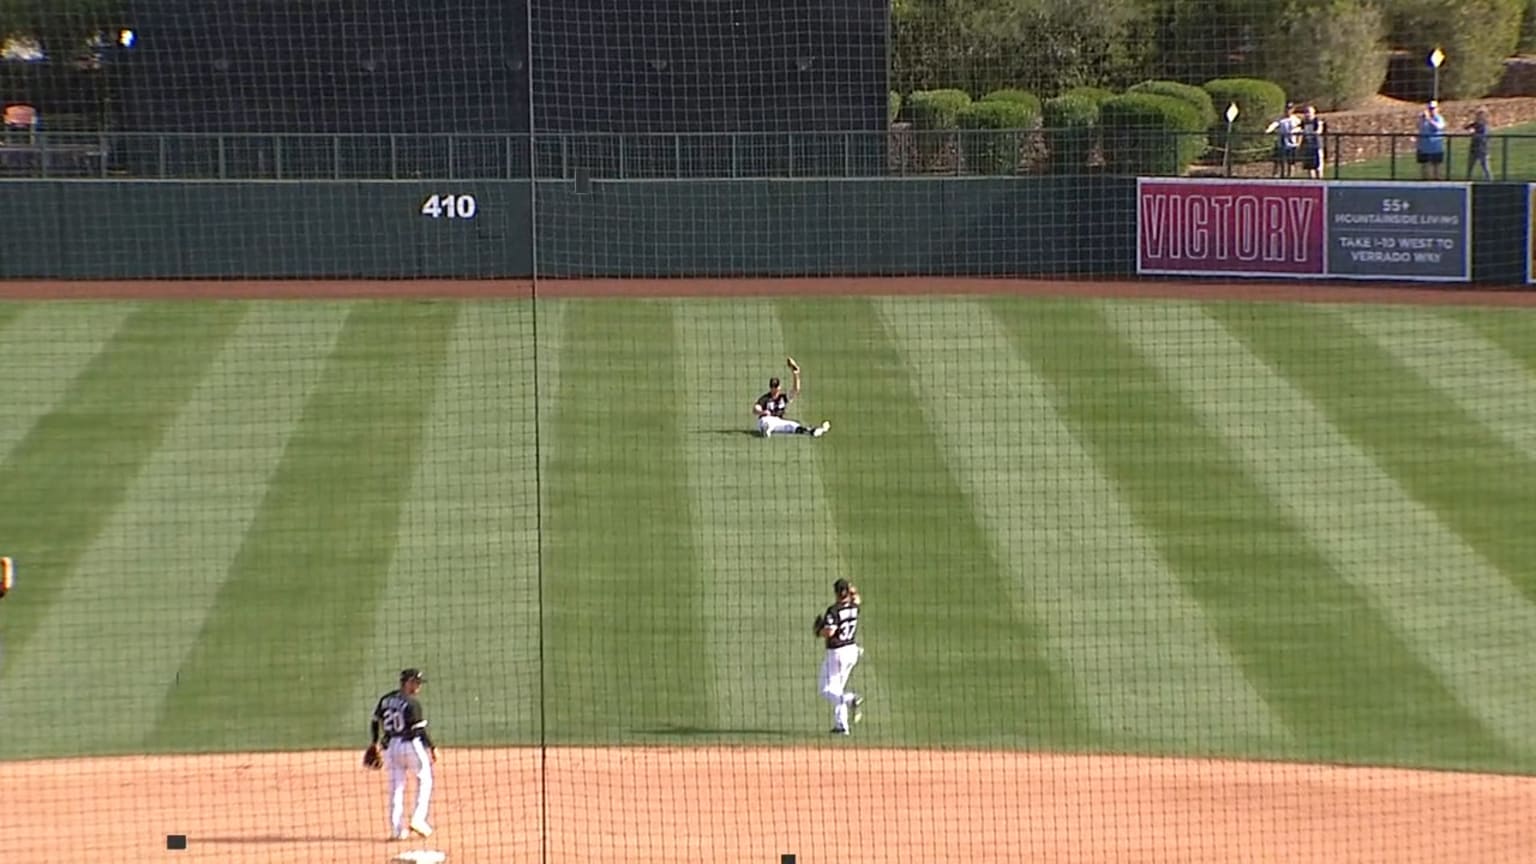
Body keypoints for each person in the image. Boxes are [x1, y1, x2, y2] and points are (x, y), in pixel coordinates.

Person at [369, 669, 437, 841]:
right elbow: (419, 730)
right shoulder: (412, 704)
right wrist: (432, 747)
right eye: (416, 682)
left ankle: (397, 830)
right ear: (407, 682)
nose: (418, 686)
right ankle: (418, 819)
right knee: (425, 779)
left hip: (390, 748)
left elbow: (375, 721)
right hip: (410, 745)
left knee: (396, 788)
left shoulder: (386, 699)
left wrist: (374, 742)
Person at [815, 578, 864, 735]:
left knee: (825, 689)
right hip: (852, 651)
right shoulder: (854, 607)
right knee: (837, 689)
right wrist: (852, 589)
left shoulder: (834, 610)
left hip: (837, 654)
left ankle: (851, 699)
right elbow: (857, 598)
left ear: (836, 592)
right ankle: (842, 725)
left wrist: (818, 631)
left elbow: (830, 631)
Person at [753, 356, 830, 438]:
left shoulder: (783, 398)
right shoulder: (765, 398)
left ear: (779, 387)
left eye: (776, 386)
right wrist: (762, 412)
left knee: (793, 425)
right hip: (766, 419)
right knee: (766, 422)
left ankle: (811, 431)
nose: (774, 389)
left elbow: (796, 390)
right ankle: (765, 430)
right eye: (772, 387)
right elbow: (755, 408)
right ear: (770, 387)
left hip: (778, 421)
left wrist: (796, 374)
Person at [1265, 103, 1301, 178]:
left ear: (1293, 110)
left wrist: (1298, 142)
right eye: (1287, 109)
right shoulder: (1281, 119)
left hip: (1292, 144)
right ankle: (1281, 176)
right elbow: (1274, 125)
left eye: (1290, 109)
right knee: (1280, 161)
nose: (1288, 111)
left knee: (1291, 163)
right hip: (1282, 144)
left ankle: (1290, 177)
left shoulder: (1296, 120)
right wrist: (1268, 130)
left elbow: (1300, 130)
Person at [1416, 100, 1447, 180]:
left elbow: (1439, 127)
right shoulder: (1423, 119)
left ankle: (1438, 182)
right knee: (1424, 167)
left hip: (1436, 147)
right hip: (1424, 147)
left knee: (1437, 167)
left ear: (1437, 109)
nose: (1432, 110)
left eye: (1433, 108)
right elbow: (1419, 128)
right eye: (1430, 108)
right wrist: (1421, 119)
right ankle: (1425, 182)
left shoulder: (1439, 118)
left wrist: (1429, 119)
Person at [1298, 105, 1325, 180]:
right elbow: (1300, 132)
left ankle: (1320, 181)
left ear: (1314, 113)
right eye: (1305, 112)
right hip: (1308, 147)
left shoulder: (1317, 121)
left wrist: (1312, 132)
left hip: (1317, 146)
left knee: (1318, 167)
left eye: (1308, 112)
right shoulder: (1303, 122)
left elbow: (1319, 131)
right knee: (1309, 167)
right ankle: (1312, 182)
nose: (1307, 114)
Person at [1465, 107, 1492, 181]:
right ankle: (1467, 180)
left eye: (1480, 115)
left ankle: (1489, 181)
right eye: (1477, 115)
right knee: (1470, 167)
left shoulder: (1484, 126)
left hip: (1482, 149)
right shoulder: (1475, 124)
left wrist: (1473, 133)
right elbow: (1466, 127)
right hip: (1473, 149)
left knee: (1485, 167)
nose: (1477, 117)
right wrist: (1468, 119)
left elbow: (1482, 136)